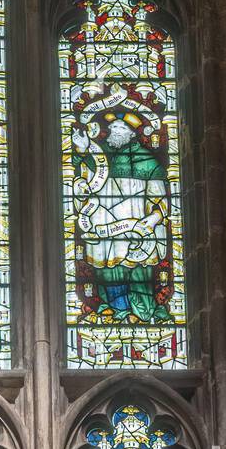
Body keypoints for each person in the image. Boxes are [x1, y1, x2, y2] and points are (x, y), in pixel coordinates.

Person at [73, 108, 171, 325]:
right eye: (112, 127)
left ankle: (144, 311)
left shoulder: (146, 160)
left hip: (135, 225)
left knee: (138, 269)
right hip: (105, 226)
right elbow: (83, 184)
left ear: (132, 133)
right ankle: (116, 310)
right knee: (107, 270)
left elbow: (158, 197)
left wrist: (154, 218)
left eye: (120, 127)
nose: (114, 131)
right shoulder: (96, 156)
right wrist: (81, 151)